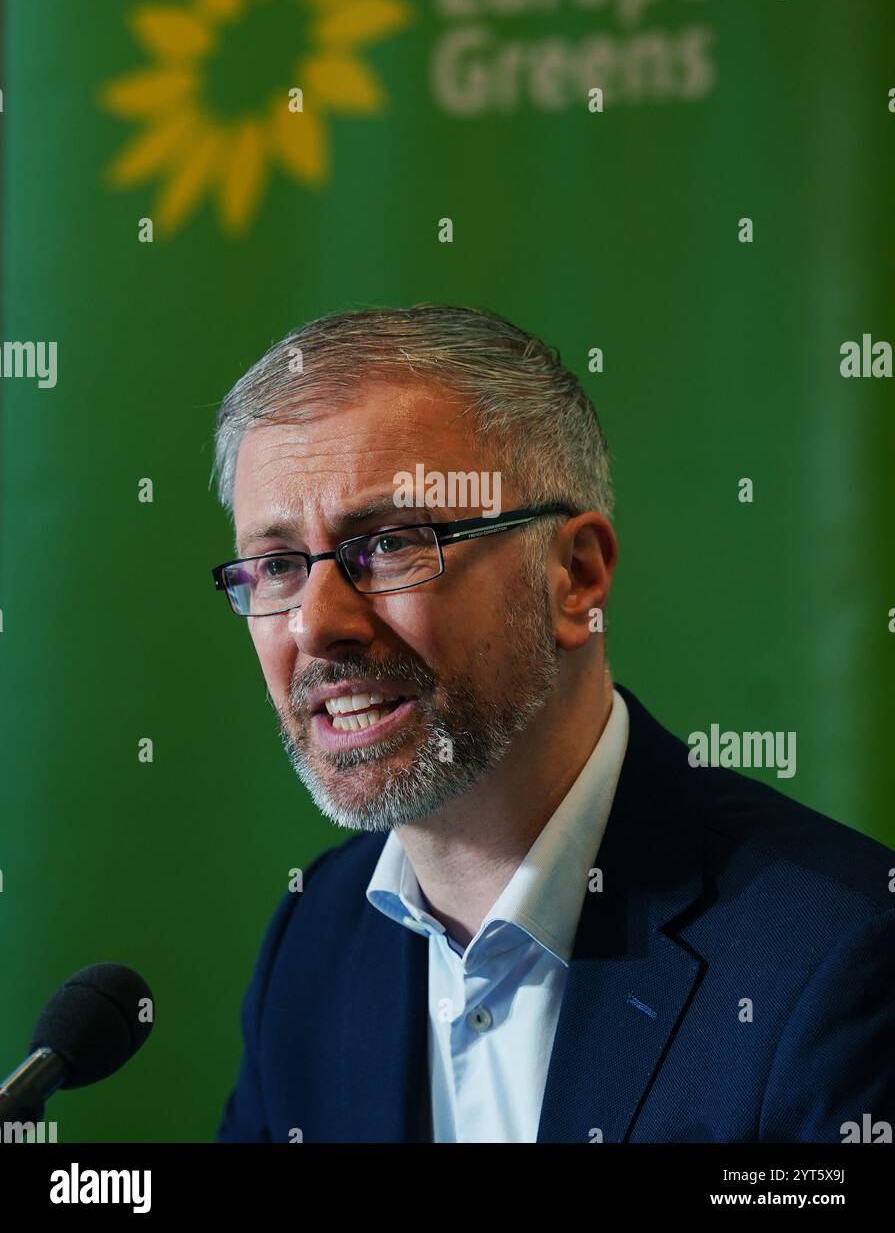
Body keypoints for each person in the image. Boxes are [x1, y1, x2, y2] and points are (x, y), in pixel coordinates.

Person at [211, 302, 894, 1143]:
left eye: (390, 544)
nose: (316, 623)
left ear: (573, 575)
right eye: (277, 565)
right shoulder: (315, 939)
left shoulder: (837, 956)